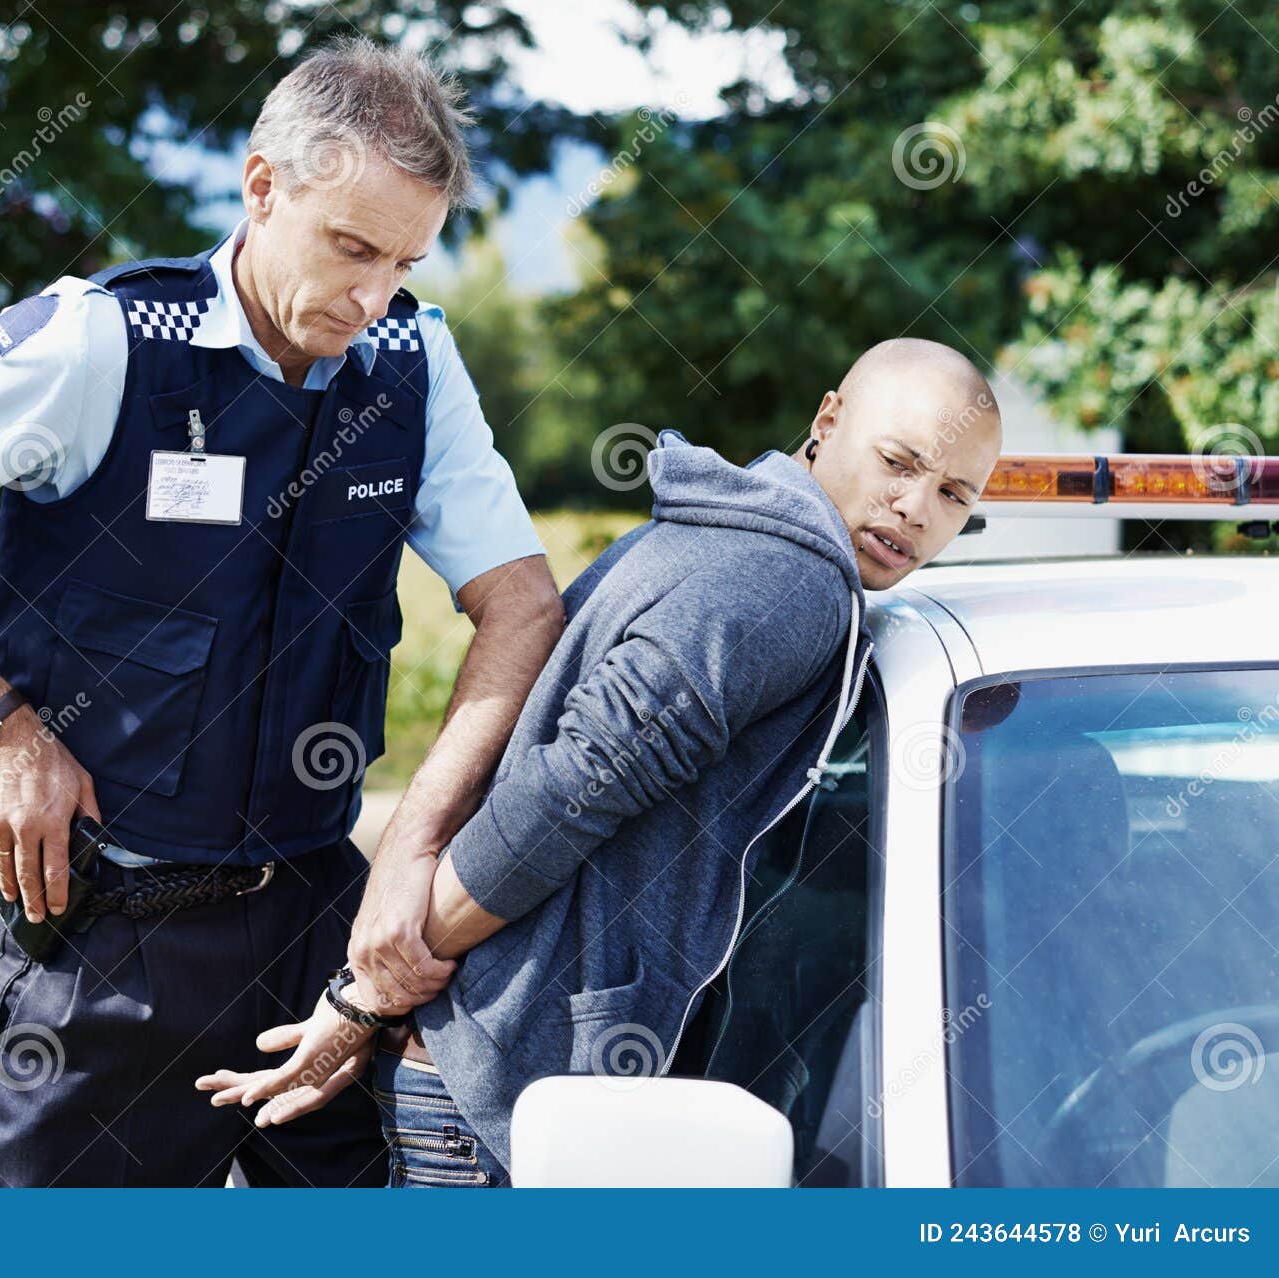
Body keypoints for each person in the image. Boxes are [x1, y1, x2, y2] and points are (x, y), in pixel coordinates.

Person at [0, 37, 565, 1187]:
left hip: (317, 936)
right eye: (350, 247)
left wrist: (411, 852)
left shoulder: (414, 363)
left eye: (403, 260)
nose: (371, 295)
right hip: (104, 945)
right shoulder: (99, 343)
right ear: (261, 188)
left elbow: (522, 607)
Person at [198, 337, 1005, 1186]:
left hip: (484, 1064)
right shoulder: (789, 582)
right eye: (898, 462)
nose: (916, 508)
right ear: (829, 418)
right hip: (516, 1090)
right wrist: (366, 993)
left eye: (954, 493)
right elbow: (569, 788)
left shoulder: (720, 532)